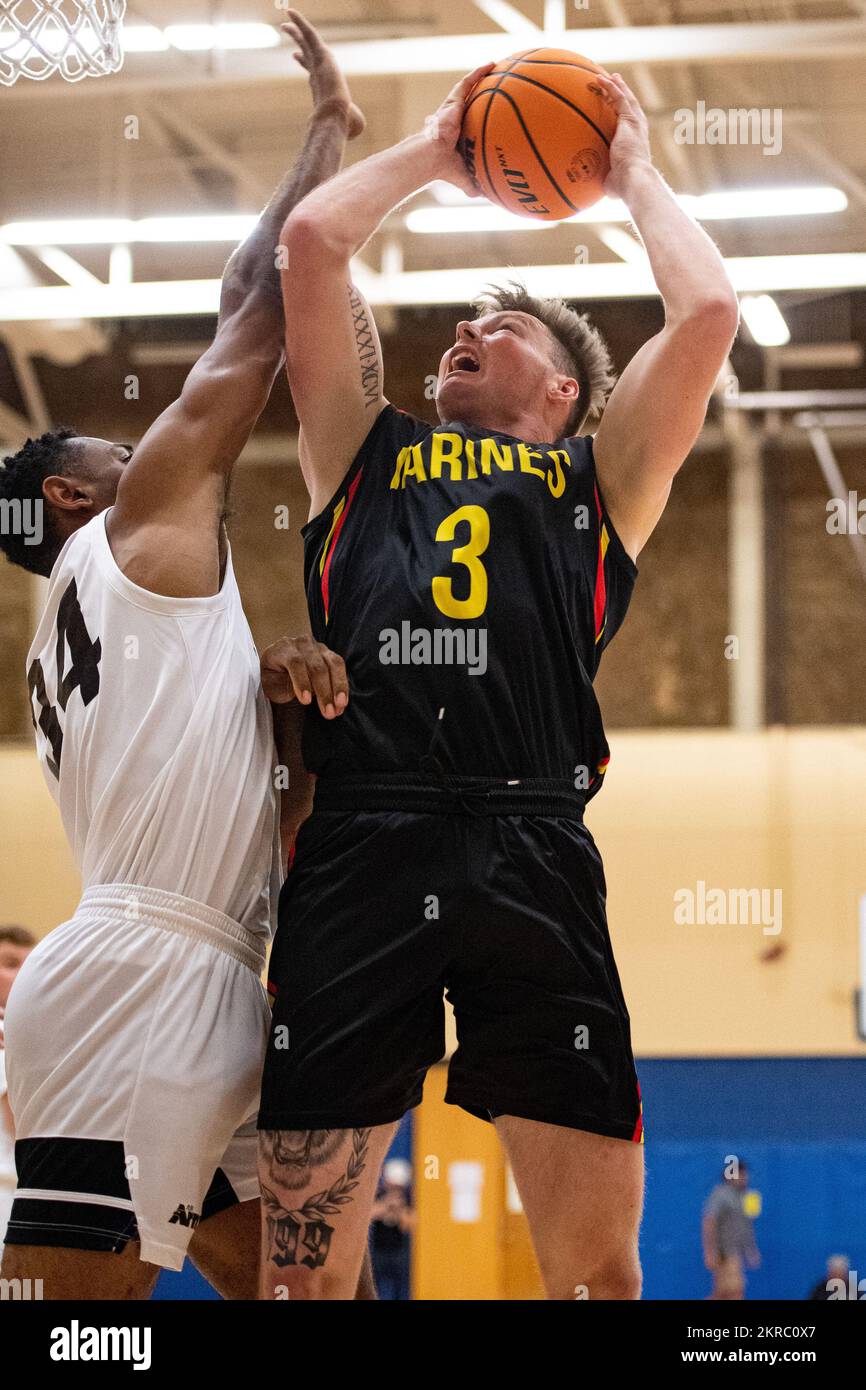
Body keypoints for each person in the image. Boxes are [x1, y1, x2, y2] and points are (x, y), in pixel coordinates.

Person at [256, 59, 738, 1301]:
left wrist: (628, 170)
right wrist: (434, 149)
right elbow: (311, 244)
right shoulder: (361, 450)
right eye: (461, 328)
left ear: (568, 392)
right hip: (365, 839)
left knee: (597, 1277)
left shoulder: (599, 479)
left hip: (532, 838)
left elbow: (705, 317)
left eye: (503, 328)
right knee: (304, 1279)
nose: (464, 334)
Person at [0, 15, 365, 1300]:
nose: (134, 444)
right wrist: (330, 137)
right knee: (72, 1322)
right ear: (62, 502)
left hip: (208, 966)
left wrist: (285, 699)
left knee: (308, 1282)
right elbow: (252, 317)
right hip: (133, 976)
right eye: (101, 444)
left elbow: (252, 800)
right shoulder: (135, 529)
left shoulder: (112, 611)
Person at [0, 925, 36, 1261]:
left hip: (23, 1198)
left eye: (30, 965)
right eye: (11, 963)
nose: (23, 975)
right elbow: (22, 1127)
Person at [702, 1161, 760, 1300]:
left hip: (736, 1253)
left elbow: (747, 1226)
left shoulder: (748, 1196)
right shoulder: (721, 1194)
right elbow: (709, 1222)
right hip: (724, 1252)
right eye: (740, 1173)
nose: (744, 1177)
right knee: (734, 1292)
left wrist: (751, 1250)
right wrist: (710, 1251)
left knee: (723, 1293)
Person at [370, 1161, 414, 1301]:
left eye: (398, 1186)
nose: (395, 1189)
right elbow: (368, 1216)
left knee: (401, 1290)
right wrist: (387, 1205)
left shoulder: (409, 1199)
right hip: (379, 1252)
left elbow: (408, 1224)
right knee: (377, 1289)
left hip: (400, 1253)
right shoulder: (378, 1195)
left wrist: (398, 1210)